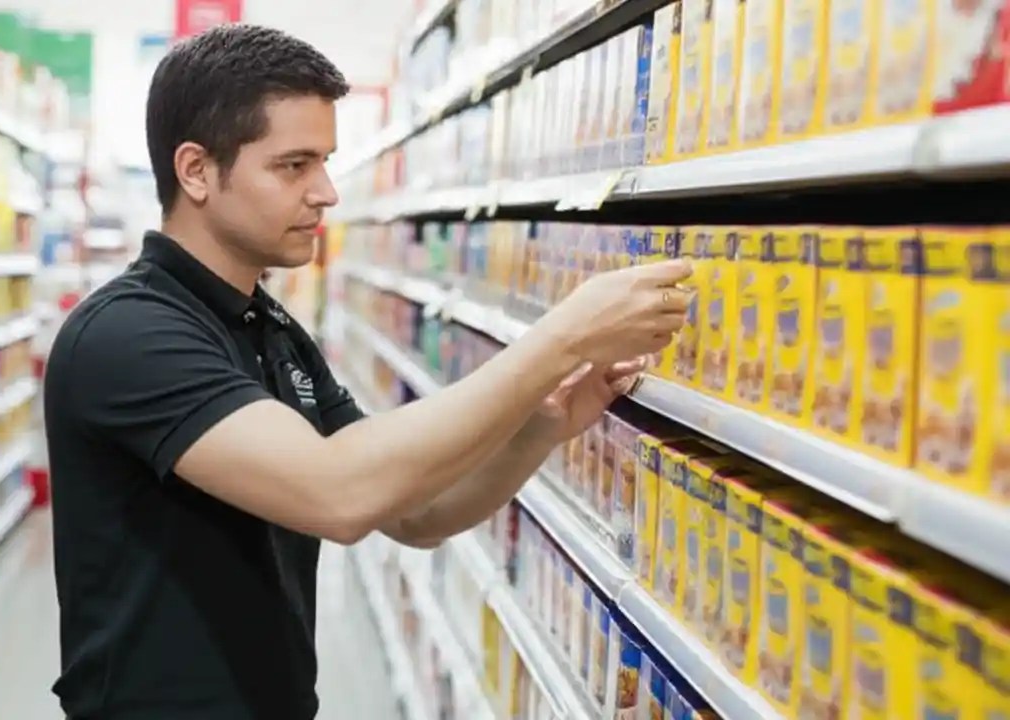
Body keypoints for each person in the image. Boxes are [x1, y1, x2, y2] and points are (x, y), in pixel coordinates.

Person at [43, 23, 692, 720]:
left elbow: (415, 511)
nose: (326, 192)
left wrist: (543, 426)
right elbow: (341, 495)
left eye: (324, 161)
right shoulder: (127, 334)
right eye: (294, 166)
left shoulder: (274, 330)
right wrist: (561, 338)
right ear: (197, 170)